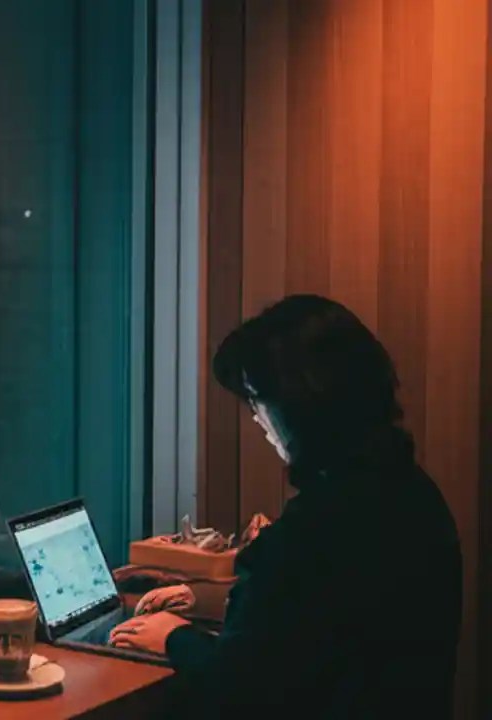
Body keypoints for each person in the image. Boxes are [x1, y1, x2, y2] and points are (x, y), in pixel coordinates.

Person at [109, 295, 462, 718]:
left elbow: (239, 688)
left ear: (301, 406)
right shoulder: (413, 495)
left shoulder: (313, 534)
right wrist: (200, 599)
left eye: (258, 400)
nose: (256, 418)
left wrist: (174, 638)